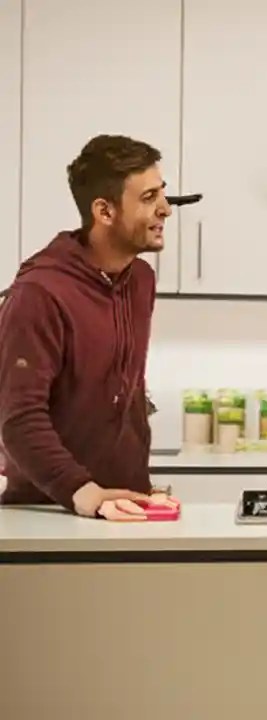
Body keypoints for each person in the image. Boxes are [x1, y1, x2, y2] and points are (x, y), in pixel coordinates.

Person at [0, 134, 179, 520]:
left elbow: (123, 389)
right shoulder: (40, 292)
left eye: (162, 194)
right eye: (149, 198)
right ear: (104, 211)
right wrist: (84, 492)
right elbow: (18, 418)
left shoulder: (140, 280)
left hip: (123, 503)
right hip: (50, 510)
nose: (166, 209)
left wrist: (137, 482)